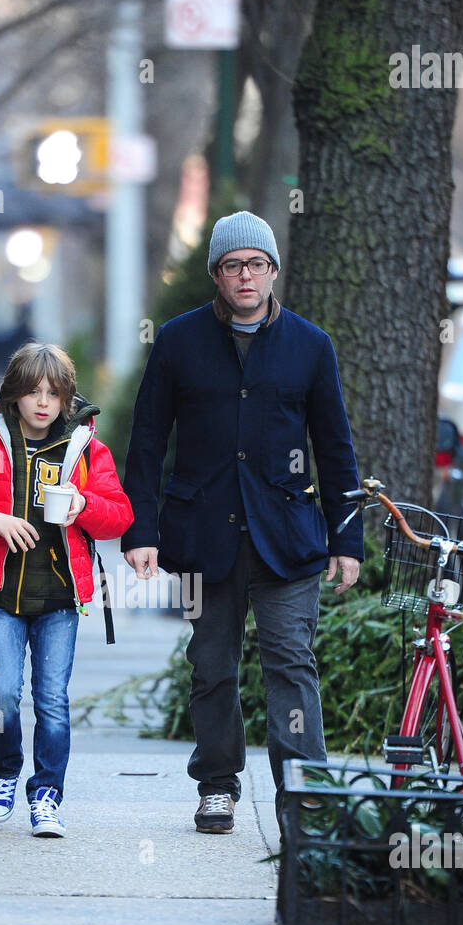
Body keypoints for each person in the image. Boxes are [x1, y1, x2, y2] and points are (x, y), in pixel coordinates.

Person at [121, 210, 365, 836]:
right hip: (204, 536)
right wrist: (141, 531)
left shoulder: (310, 345)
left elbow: (335, 447)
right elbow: (147, 440)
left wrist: (348, 539)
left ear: (273, 271)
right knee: (213, 665)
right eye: (233, 266)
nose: (246, 276)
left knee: (290, 662)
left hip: (286, 537)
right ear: (216, 276)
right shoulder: (179, 340)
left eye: (256, 264)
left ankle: (303, 790)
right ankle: (217, 786)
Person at [0, 342, 133, 837]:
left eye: (54, 393)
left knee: (52, 701)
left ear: (67, 398)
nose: (43, 402)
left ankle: (47, 794)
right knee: (1, 692)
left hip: (60, 600)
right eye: (32, 392)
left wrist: (83, 504)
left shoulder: (87, 448)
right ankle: (4, 772)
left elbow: (120, 515)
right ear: (14, 395)